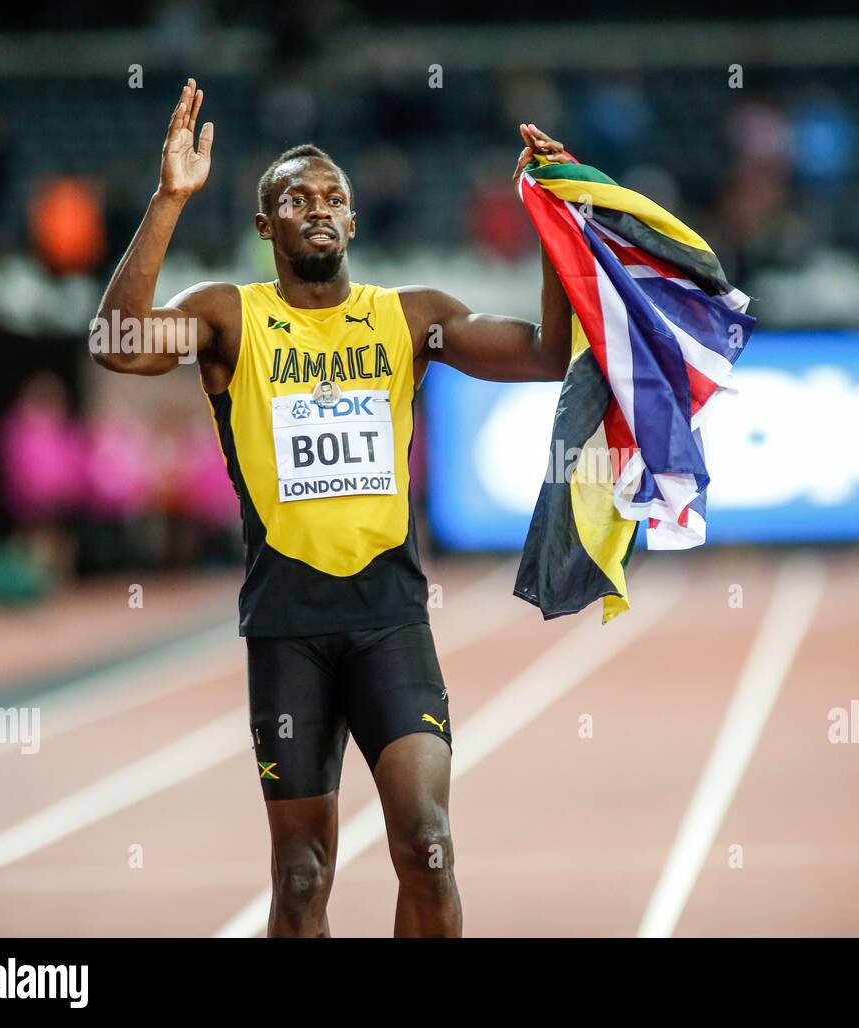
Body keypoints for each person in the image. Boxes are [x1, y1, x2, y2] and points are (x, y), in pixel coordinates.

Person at [91, 78, 573, 938]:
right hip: (288, 627)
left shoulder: (410, 318)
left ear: (353, 224)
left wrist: (554, 229)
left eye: (334, 198)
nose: (318, 207)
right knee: (302, 878)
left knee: (427, 842)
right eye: (295, 197)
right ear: (265, 226)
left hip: (390, 618)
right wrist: (168, 199)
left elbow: (543, 355)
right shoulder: (229, 317)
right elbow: (116, 343)